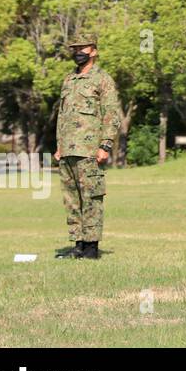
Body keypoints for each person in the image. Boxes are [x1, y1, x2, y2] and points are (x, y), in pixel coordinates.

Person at [54, 33, 121, 260]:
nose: (77, 53)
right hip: (68, 150)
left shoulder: (102, 79)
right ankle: (78, 244)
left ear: (93, 50)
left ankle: (92, 247)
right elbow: (62, 116)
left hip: (90, 150)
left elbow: (112, 115)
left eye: (82, 48)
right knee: (72, 200)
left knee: (91, 198)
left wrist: (105, 145)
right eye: (74, 49)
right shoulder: (68, 80)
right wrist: (59, 146)